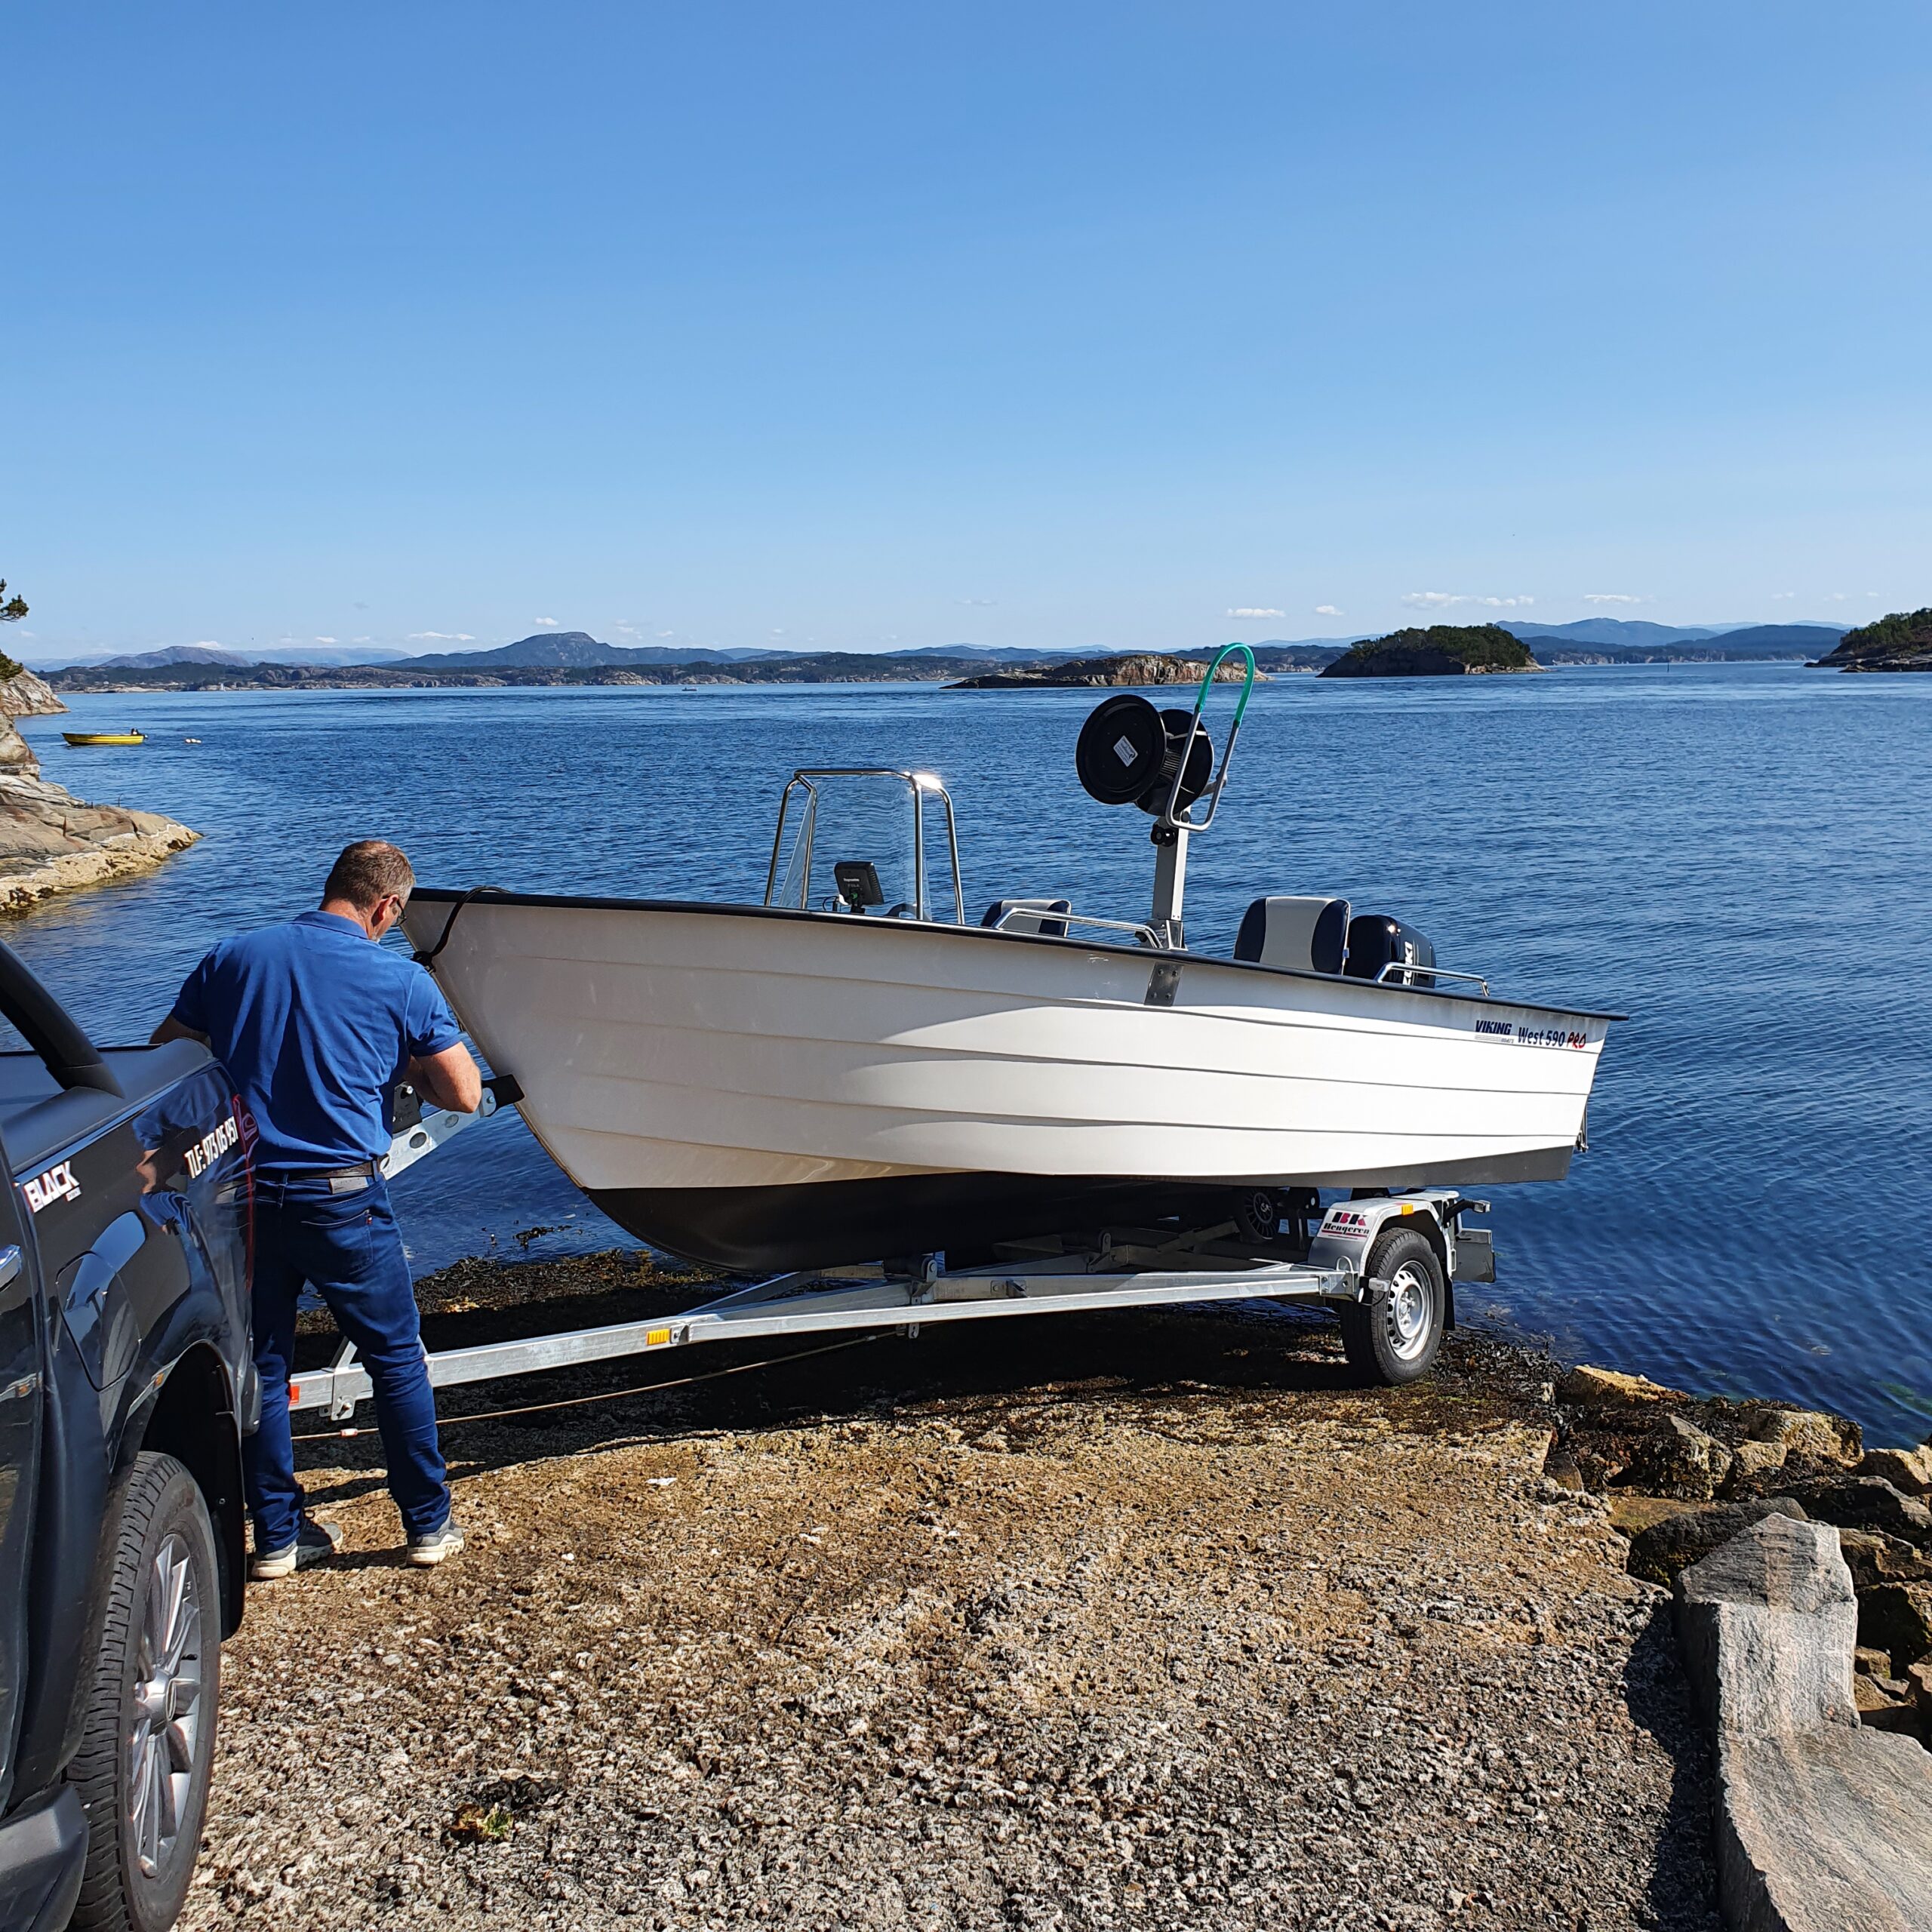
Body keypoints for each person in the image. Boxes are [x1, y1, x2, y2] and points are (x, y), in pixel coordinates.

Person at [154, 839, 482, 1578]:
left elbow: (166, 1053)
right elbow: (463, 1091)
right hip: (343, 1203)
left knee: (264, 1366)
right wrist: (401, 1073)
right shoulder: (400, 981)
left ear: (332, 884)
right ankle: (428, 1524)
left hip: (244, 1200)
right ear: (387, 906)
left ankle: (274, 1539)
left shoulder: (232, 957)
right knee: (396, 1360)